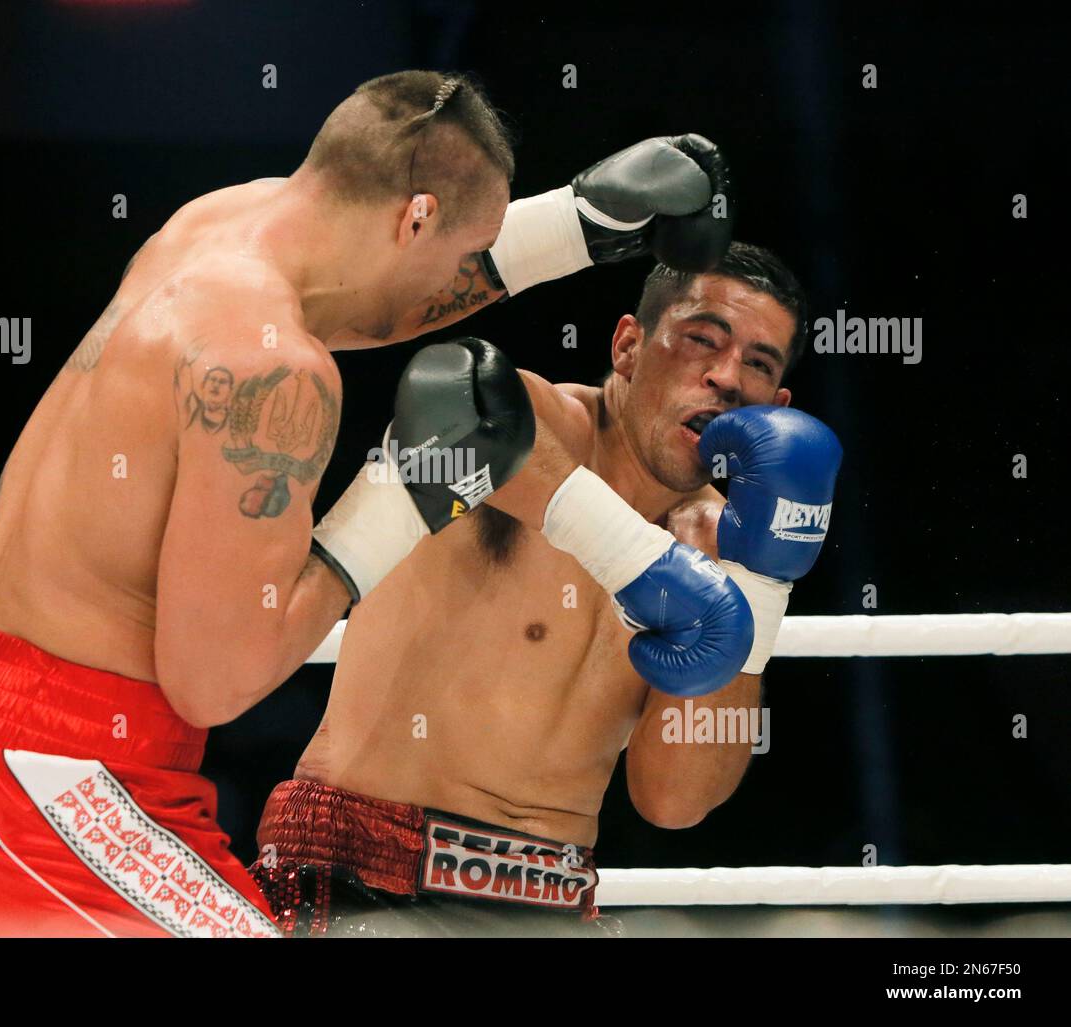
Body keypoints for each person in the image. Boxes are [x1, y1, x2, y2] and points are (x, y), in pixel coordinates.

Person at [0, 68, 732, 936]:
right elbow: (213, 679)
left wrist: (578, 226)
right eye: (462, 253)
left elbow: (379, 294)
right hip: (41, 791)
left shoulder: (210, 230)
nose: (458, 290)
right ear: (416, 218)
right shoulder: (275, 371)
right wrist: (405, 494)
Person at [251, 243, 842, 936]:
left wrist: (761, 588)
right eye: (701, 340)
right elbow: (455, 399)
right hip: (372, 875)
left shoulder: (720, 544)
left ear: (777, 406)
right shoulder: (528, 421)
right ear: (628, 345)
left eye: (758, 363)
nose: (724, 377)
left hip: (554, 900)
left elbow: (675, 799)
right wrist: (643, 561)